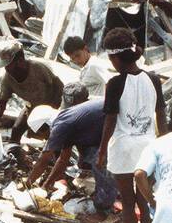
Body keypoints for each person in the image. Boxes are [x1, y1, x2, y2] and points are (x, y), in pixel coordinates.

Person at [97, 27, 166, 223]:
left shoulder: (114, 83)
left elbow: (110, 119)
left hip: (124, 148)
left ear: (115, 57)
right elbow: (161, 117)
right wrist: (164, 146)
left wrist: (102, 149)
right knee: (144, 203)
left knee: (127, 202)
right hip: (149, 146)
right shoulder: (154, 79)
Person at [26, 84, 117, 214]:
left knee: (97, 159)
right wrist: (46, 185)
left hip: (119, 125)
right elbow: (63, 160)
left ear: (44, 127)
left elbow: (43, 160)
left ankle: (103, 210)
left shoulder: (61, 124)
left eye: (42, 134)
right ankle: (105, 198)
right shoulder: (65, 120)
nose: (45, 139)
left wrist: (28, 184)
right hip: (111, 129)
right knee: (89, 156)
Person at [0, 44, 64, 144]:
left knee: (52, 137)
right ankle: (13, 155)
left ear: (20, 60)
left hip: (50, 107)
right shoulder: (8, 79)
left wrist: (57, 110)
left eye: (9, 66)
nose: (7, 69)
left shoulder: (38, 68)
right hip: (31, 107)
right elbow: (2, 103)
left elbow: (58, 86)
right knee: (16, 130)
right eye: (6, 67)